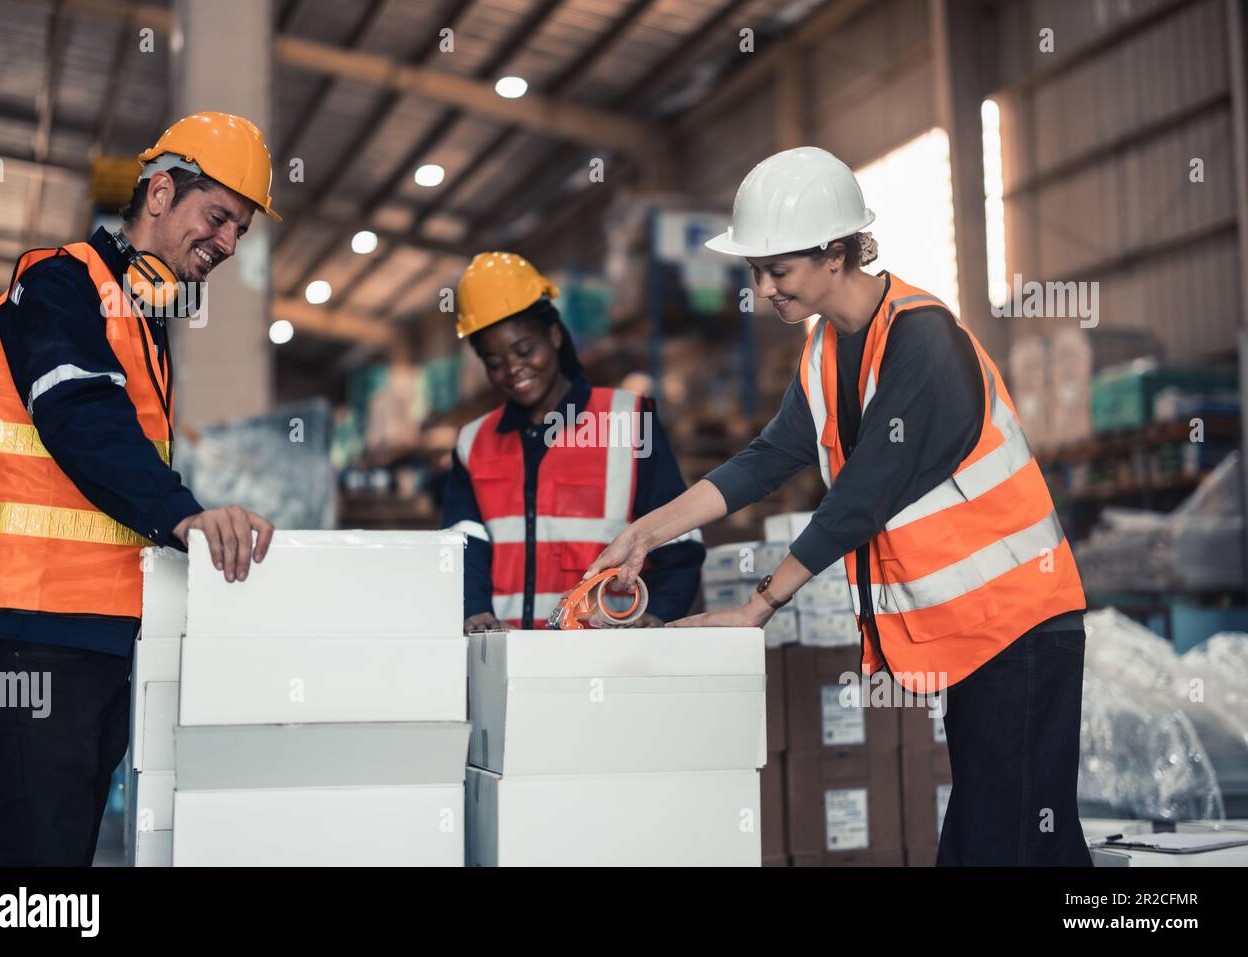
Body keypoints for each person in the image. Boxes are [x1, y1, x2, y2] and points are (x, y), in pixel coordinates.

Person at [585, 147, 1091, 866]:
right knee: (1015, 838)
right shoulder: (826, 349)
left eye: (778, 270)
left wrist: (759, 602)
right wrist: (646, 531)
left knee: (1001, 840)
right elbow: (767, 458)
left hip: (1022, 624)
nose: (764, 290)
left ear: (835, 255)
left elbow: (862, 497)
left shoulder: (925, 341)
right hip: (978, 632)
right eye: (756, 272)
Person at [0, 111, 280, 865]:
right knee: (39, 866)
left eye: (241, 232)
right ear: (159, 193)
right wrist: (184, 516)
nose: (228, 244)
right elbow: (79, 415)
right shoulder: (60, 282)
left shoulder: (141, 321)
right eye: (219, 217)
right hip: (30, 632)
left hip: (92, 634)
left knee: (63, 856)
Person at [443, 252, 704, 631]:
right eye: (495, 362)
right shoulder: (473, 442)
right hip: (506, 657)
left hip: (605, 654)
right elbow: (462, 547)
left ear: (552, 336)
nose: (513, 369)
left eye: (523, 349)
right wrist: (473, 609)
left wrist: (659, 614)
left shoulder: (629, 420)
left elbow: (680, 538)